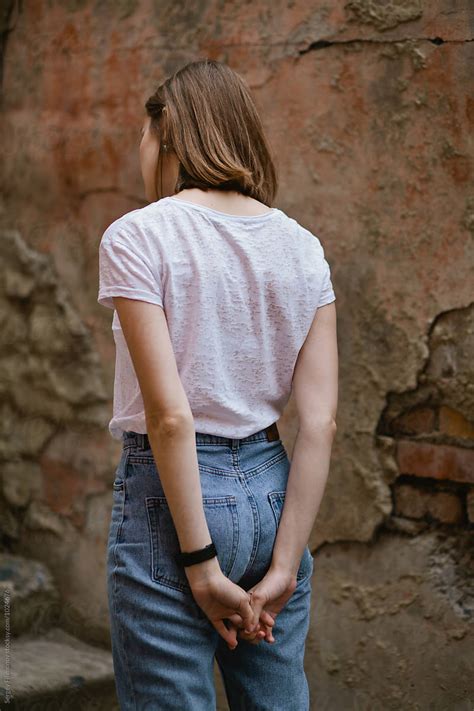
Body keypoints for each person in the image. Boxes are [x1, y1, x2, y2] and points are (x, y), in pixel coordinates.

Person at [97, 58, 338, 711]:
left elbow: (170, 415)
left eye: (145, 137)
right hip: (272, 491)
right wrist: (285, 565)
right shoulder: (304, 247)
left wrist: (200, 563)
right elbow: (318, 424)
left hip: (172, 499)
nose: (141, 152)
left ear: (169, 135)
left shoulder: (137, 235)